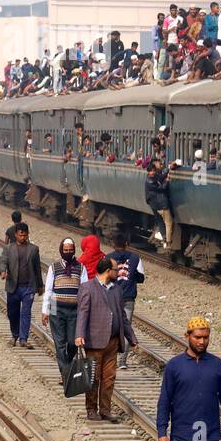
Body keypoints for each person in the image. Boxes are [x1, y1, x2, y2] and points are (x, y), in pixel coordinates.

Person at [74, 256, 136, 423]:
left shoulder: (116, 289)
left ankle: (106, 410)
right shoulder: (87, 288)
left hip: (113, 341)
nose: (119, 272)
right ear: (108, 271)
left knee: (109, 378)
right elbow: (83, 313)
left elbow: (122, 317)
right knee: (93, 377)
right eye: (116, 269)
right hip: (94, 341)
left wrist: (132, 338)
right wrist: (79, 334)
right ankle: (91, 409)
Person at [41, 237, 82, 380]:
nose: (68, 252)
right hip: (55, 307)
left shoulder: (81, 268)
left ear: (74, 250)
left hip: (74, 310)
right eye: (65, 250)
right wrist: (45, 311)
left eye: (70, 250)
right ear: (61, 250)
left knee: (72, 342)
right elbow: (49, 290)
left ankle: (68, 366)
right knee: (59, 343)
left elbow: (84, 290)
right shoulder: (54, 267)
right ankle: (65, 374)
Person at [0, 223, 44, 347]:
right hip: (13, 286)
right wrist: (3, 271)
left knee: (26, 313)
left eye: (25, 235)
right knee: (12, 313)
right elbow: (3, 261)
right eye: (20, 235)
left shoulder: (34, 249)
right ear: (16, 235)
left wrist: (40, 285)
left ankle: (23, 338)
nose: (23, 237)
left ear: (28, 234)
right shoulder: (8, 248)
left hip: (28, 287)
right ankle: (14, 335)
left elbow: (37, 268)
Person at [106, 231, 145, 369]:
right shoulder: (135, 258)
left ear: (113, 244)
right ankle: (123, 360)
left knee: (111, 328)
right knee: (127, 328)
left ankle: (112, 358)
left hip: (111, 298)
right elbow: (141, 278)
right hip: (128, 298)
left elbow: (104, 278)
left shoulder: (108, 258)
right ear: (126, 244)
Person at [146, 161, 176, 248]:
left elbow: (161, 176)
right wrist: (167, 181)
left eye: (153, 171)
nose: (153, 173)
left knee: (161, 221)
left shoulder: (152, 177)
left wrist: (169, 168)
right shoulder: (151, 182)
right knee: (169, 223)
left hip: (155, 204)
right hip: (161, 204)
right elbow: (161, 188)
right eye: (151, 171)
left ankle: (164, 238)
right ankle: (168, 242)